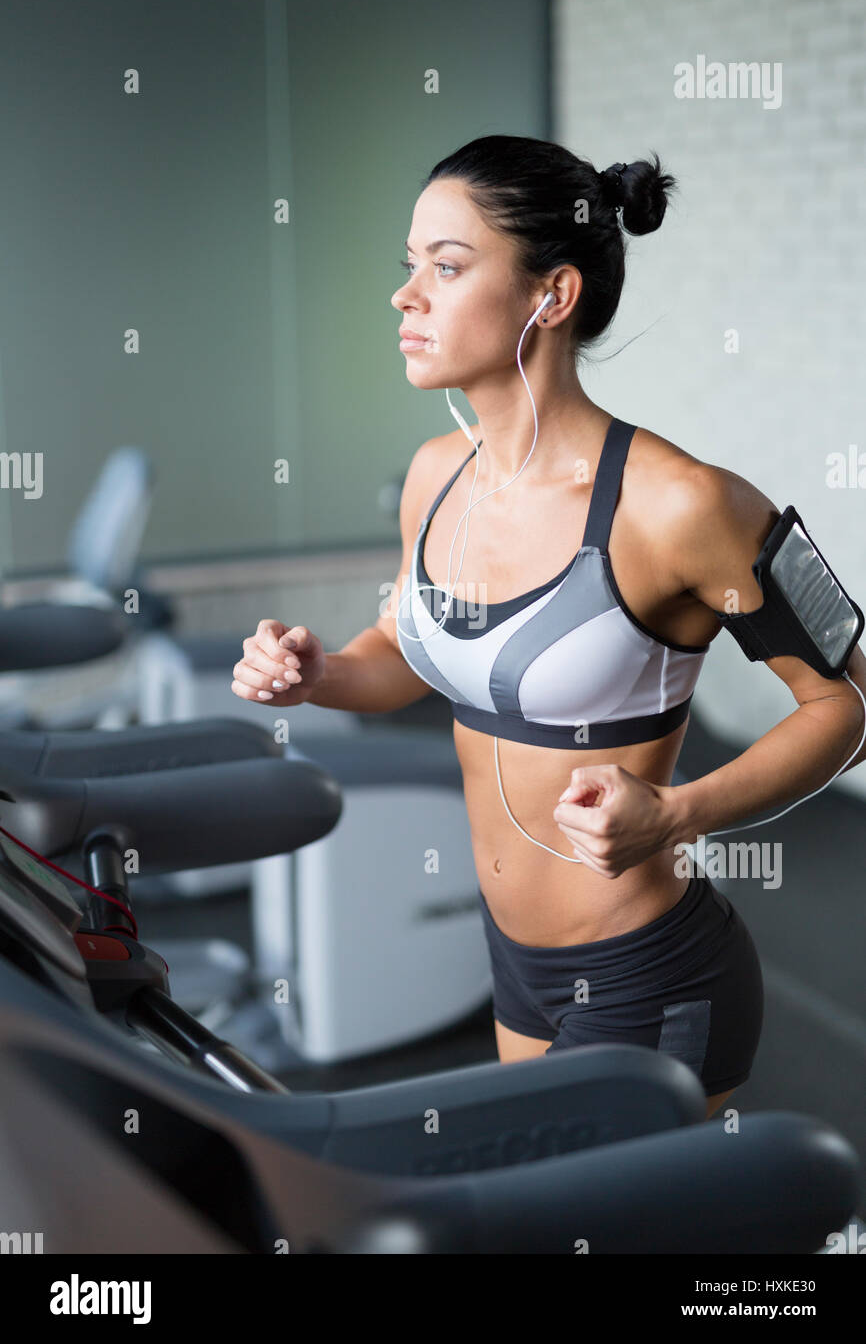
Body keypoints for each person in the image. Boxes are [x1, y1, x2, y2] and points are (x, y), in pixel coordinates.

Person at [232, 135, 866, 1121]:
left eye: (445, 267)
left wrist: (677, 812)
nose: (406, 296)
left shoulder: (680, 503)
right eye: (409, 266)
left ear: (551, 295)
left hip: (647, 968)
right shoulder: (433, 477)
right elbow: (402, 651)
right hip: (516, 962)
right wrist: (316, 673)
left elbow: (844, 702)